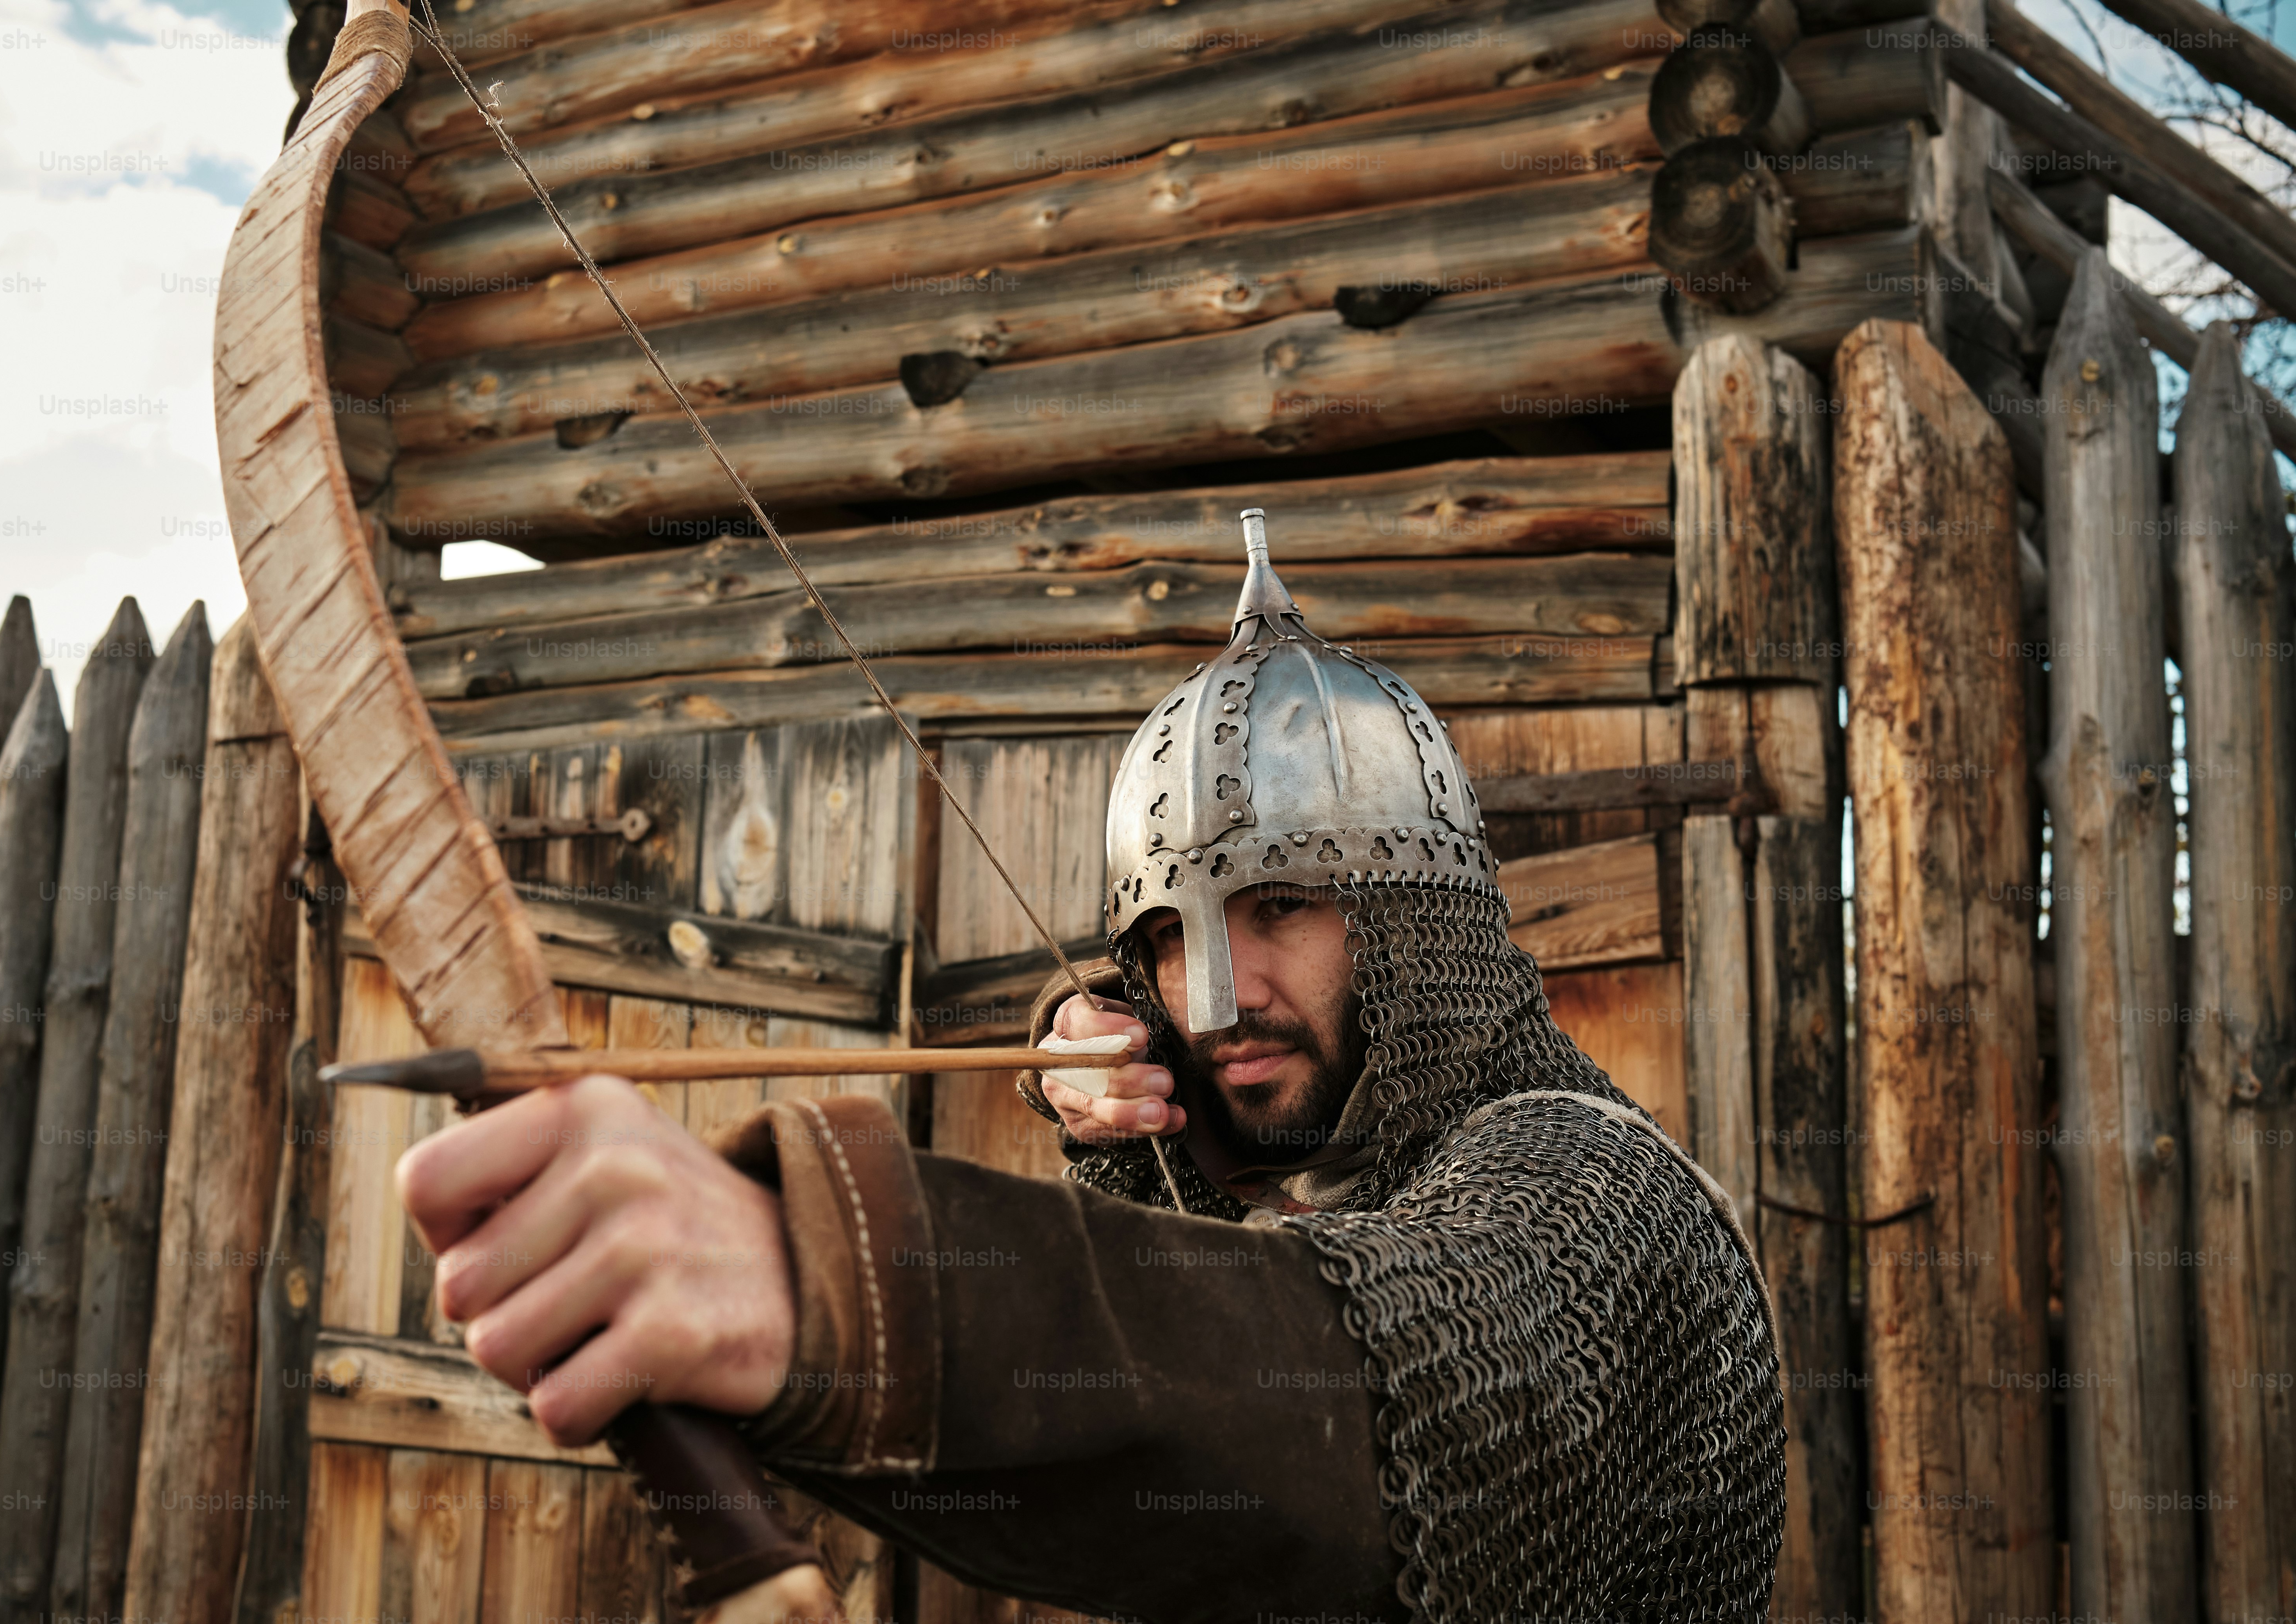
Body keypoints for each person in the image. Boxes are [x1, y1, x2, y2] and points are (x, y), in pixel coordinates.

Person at [398, 512, 1786, 1622]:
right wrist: (1136, 1140)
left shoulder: (1593, 1193)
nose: (1219, 999)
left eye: (1283, 907)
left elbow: (1325, 1408)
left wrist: (823, 1282)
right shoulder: (1334, 1175)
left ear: (1420, 922)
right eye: (1170, 942)